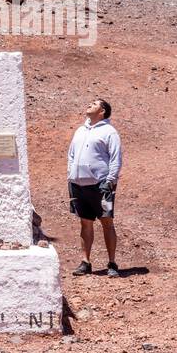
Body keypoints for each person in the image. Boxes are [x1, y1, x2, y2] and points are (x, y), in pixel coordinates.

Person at [67, 98, 122, 278]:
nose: (89, 104)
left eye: (95, 103)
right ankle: (86, 262)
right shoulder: (80, 130)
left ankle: (112, 262)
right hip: (78, 184)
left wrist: (111, 180)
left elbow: (115, 158)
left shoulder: (109, 132)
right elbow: (71, 155)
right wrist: (70, 175)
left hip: (101, 185)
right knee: (85, 222)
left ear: (103, 111)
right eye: (89, 102)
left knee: (106, 221)